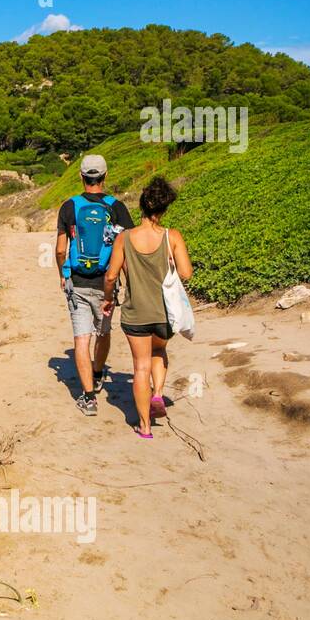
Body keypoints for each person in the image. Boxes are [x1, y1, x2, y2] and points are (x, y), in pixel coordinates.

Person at [103, 177, 192, 439]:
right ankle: (157, 394)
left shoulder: (124, 238)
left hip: (135, 313)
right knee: (159, 352)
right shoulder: (171, 236)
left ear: (140, 206)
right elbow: (186, 273)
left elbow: (110, 277)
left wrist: (108, 299)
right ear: (163, 210)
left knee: (140, 366)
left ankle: (144, 426)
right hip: (165, 313)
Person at [56, 154, 135, 416]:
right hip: (107, 284)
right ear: (105, 176)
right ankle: (99, 374)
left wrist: (62, 274)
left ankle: (88, 398)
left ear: (81, 176)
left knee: (81, 338)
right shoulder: (117, 207)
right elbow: (126, 250)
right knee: (103, 331)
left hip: (77, 282)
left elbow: (59, 250)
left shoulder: (70, 206)